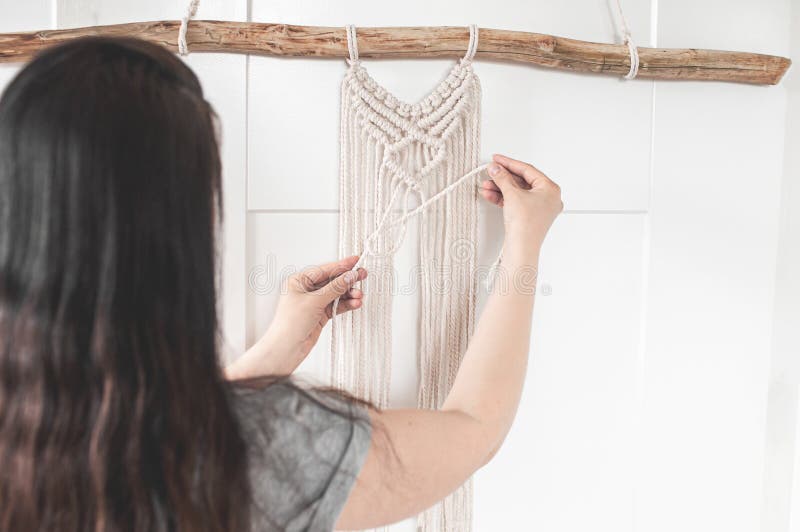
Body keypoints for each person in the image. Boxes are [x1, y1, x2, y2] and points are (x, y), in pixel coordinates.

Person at [0, 36, 562, 532]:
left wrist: (271, 354)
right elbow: (474, 429)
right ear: (177, 234)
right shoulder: (258, 453)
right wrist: (524, 244)